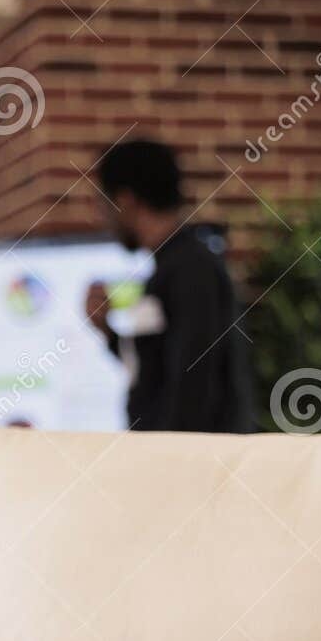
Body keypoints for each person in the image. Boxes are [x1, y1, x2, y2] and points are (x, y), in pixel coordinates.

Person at [83, 139, 253, 433]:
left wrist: (171, 463)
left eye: (102, 202)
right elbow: (155, 368)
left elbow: (195, 379)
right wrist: (109, 333)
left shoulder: (191, 268)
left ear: (125, 201)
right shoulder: (168, 269)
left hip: (192, 466)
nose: (102, 216)